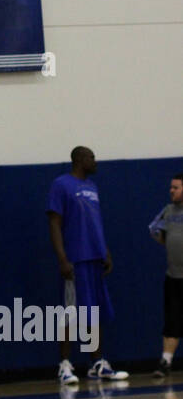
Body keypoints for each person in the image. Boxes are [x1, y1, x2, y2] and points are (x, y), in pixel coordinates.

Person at [47, 146, 129, 386]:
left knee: (95, 312)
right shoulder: (61, 185)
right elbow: (54, 223)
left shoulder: (93, 188)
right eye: (91, 157)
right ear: (80, 160)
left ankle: (97, 363)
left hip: (95, 258)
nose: (95, 161)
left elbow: (94, 222)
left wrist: (105, 251)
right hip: (75, 259)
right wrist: (62, 258)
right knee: (71, 313)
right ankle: (64, 365)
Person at [148, 172, 183, 378]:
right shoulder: (168, 211)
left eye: (176, 187)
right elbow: (155, 230)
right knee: (172, 321)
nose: (171, 190)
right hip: (174, 277)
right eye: (171, 187)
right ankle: (166, 362)